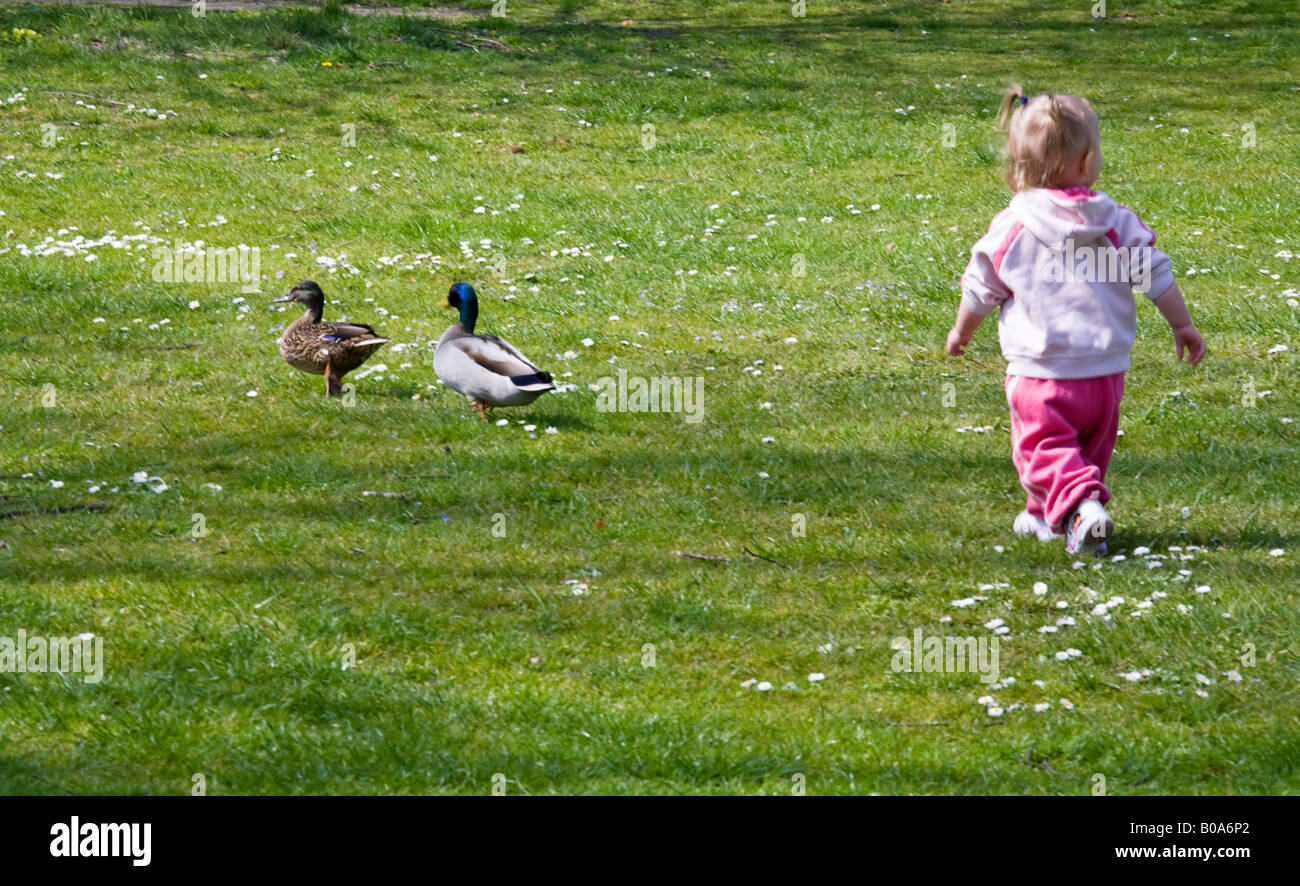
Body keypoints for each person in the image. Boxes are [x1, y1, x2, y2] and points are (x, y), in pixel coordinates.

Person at [947, 85, 1206, 554]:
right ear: (1087, 164)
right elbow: (1155, 274)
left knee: (1042, 451)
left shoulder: (1014, 226)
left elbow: (982, 286)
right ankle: (1048, 516)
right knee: (1085, 453)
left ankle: (1085, 509)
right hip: (1105, 374)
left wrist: (962, 330)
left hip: (1042, 372)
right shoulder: (1114, 223)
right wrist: (1181, 325)